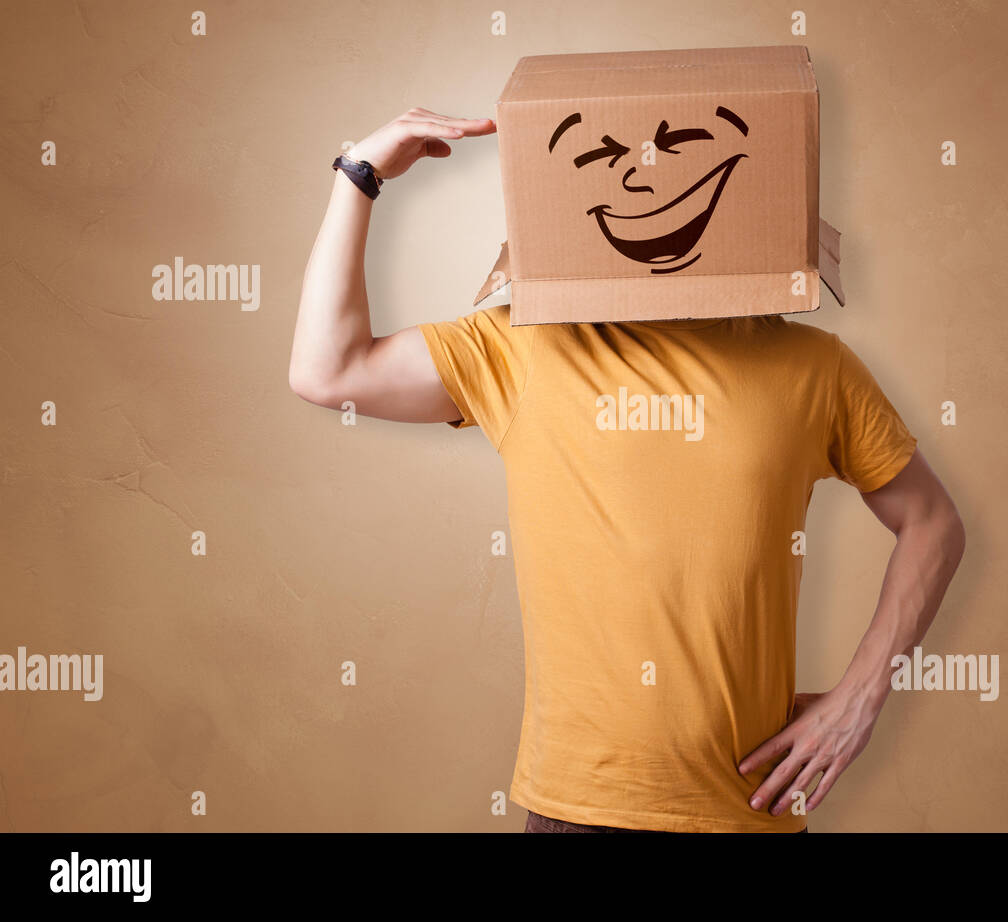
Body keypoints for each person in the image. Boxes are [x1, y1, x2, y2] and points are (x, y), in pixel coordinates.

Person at [289, 109, 966, 833]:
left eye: (678, 150)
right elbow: (328, 370)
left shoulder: (814, 366)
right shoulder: (521, 349)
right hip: (574, 813)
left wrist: (862, 698)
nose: (644, 173)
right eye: (609, 155)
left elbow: (932, 523)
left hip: (750, 809)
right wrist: (358, 175)